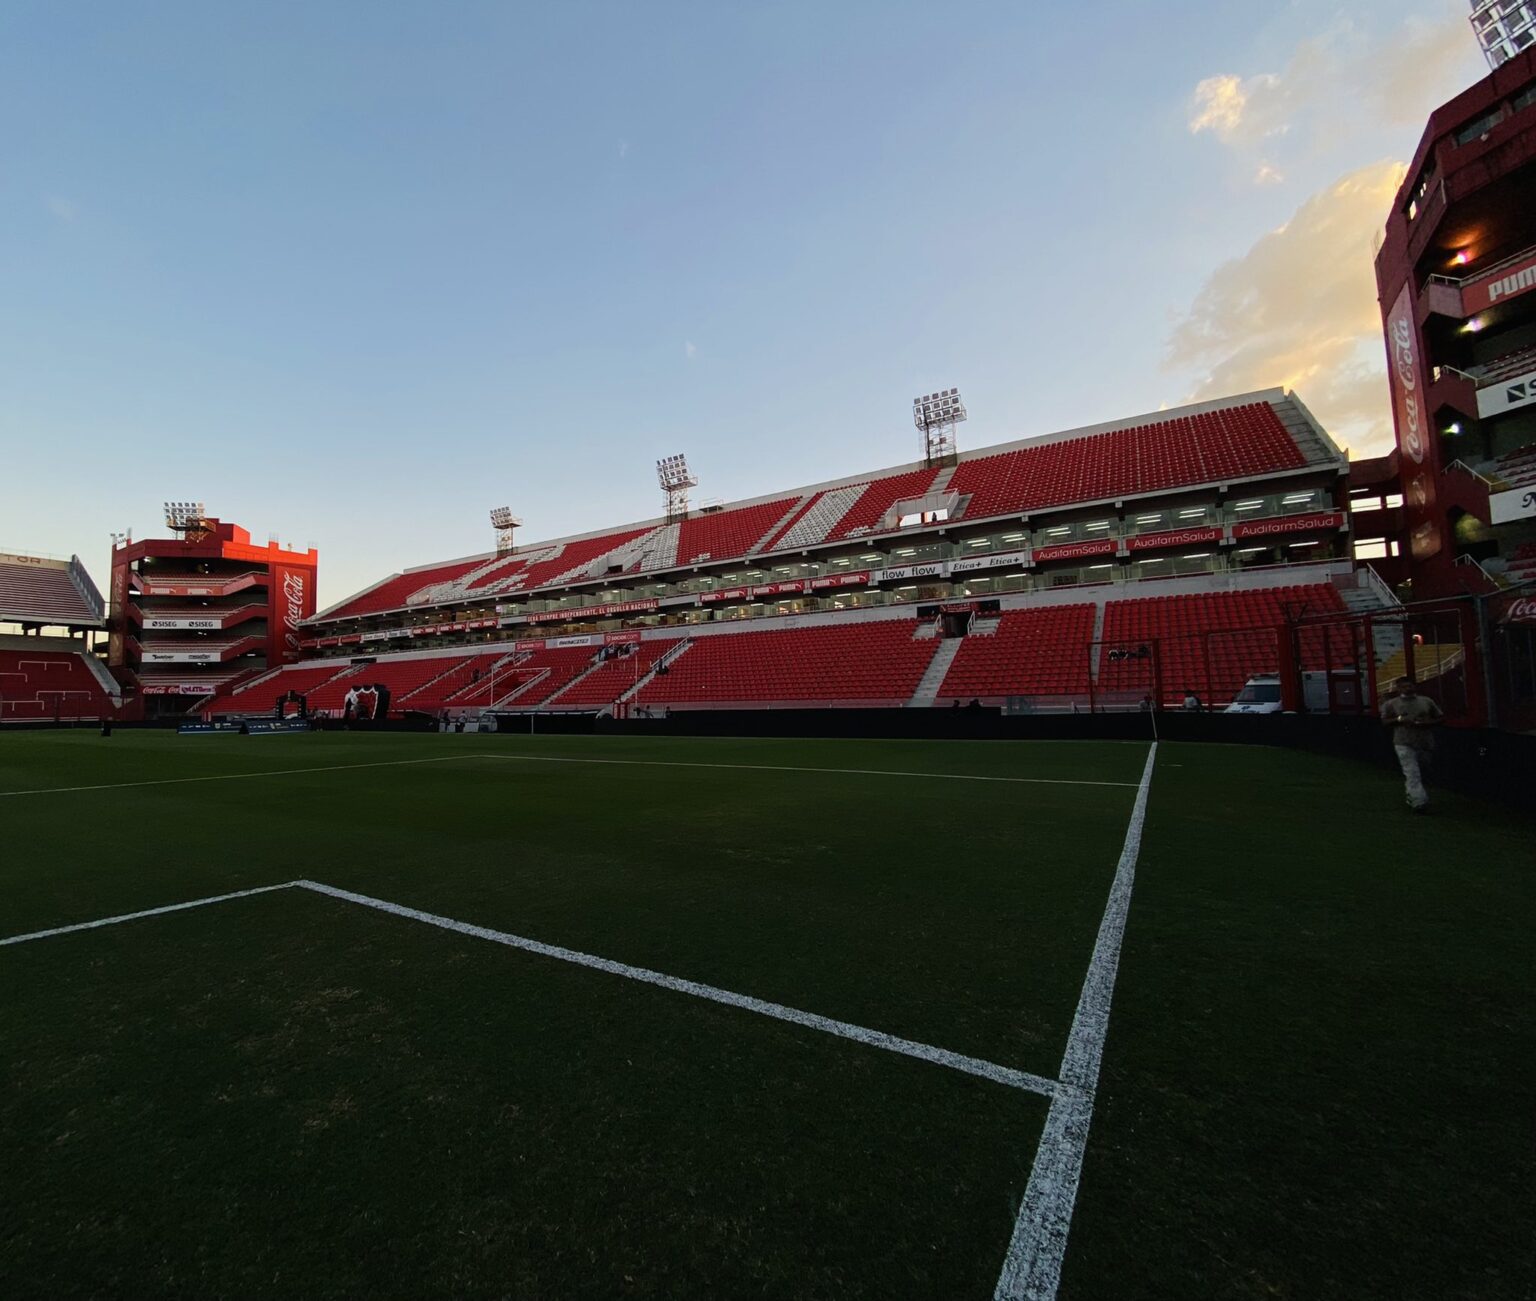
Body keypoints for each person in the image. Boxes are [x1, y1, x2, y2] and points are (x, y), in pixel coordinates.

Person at [1380, 677, 1444, 812]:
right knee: (1412, 772)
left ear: (1415, 686)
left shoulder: (1426, 701)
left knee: (1423, 769)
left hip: (1424, 741)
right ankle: (1418, 802)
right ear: (1398, 689)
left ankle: (1414, 796)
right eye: (1404, 687)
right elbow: (1385, 721)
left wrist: (1426, 723)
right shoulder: (1392, 704)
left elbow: (1439, 717)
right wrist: (1399, 719)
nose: (1407, 689)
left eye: (1409, 686)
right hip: (1403, 741)